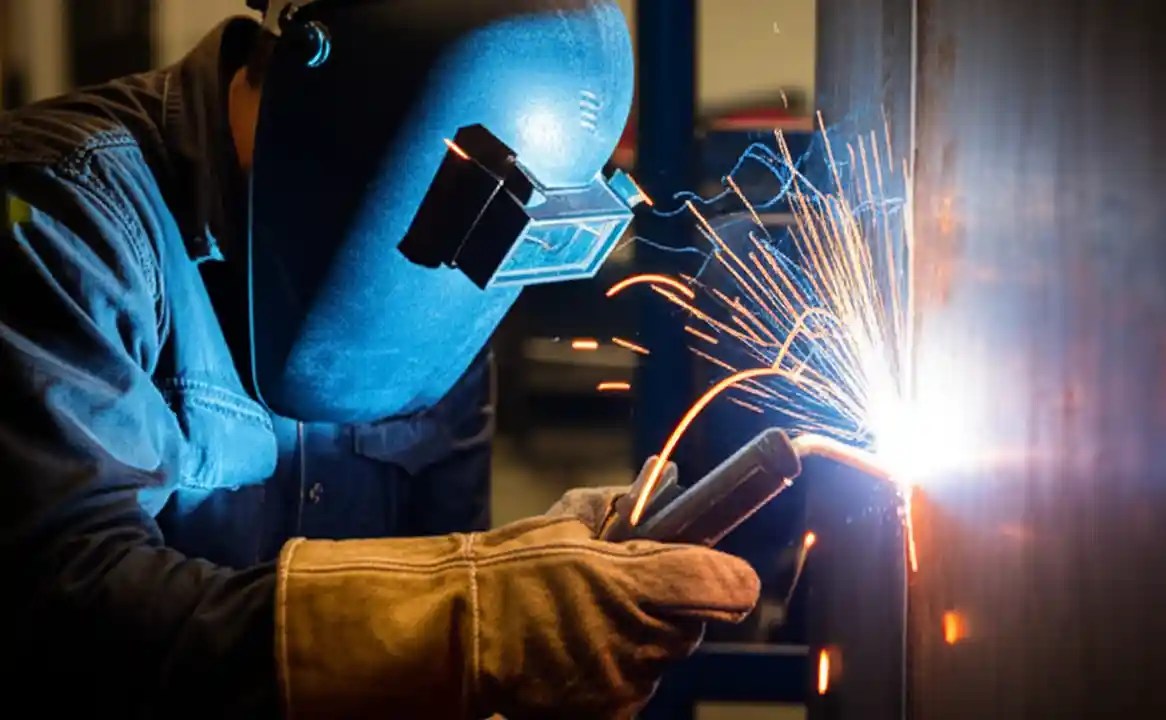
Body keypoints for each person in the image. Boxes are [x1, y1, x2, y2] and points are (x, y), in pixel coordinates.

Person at [0, 0, 760, 717]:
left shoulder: (454, 264)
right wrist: (469, 620)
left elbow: (433, 570)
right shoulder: (61, 218)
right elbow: (70, 614)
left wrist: (515, 582)